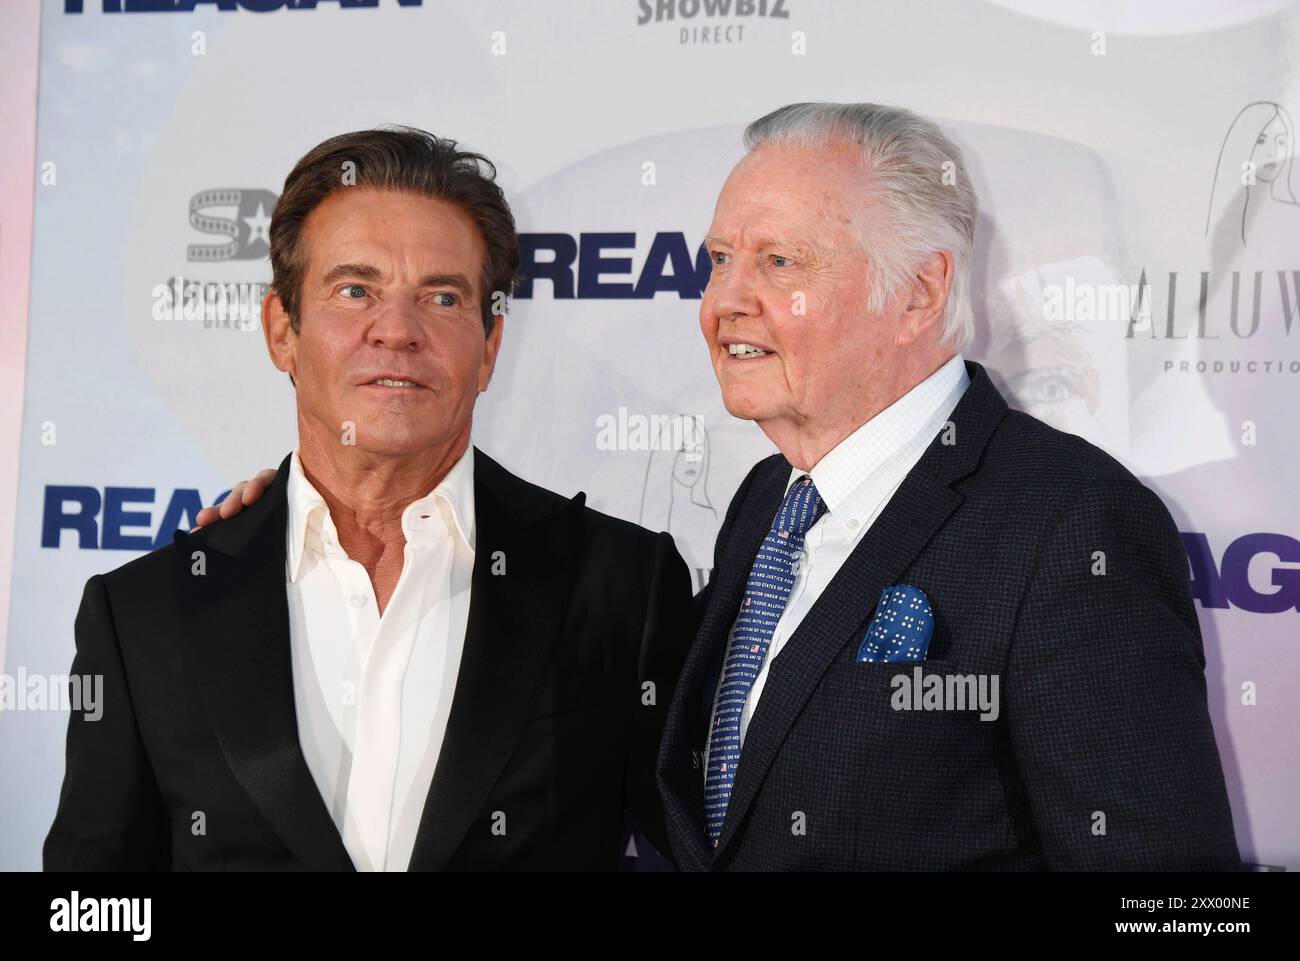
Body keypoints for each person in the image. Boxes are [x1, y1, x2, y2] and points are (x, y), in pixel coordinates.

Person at [44, 127, 695, 872]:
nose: (397, 331)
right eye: (355, 290)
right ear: (281, 331)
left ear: (489, 348)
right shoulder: (142, 617)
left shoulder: (623, 585)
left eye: (443, 297)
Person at [655, 102, 1241, 870]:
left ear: (919, 293)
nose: (725, 300)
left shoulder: (1073, 524)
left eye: (779, 262)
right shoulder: (768, 498)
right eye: (720, 258)